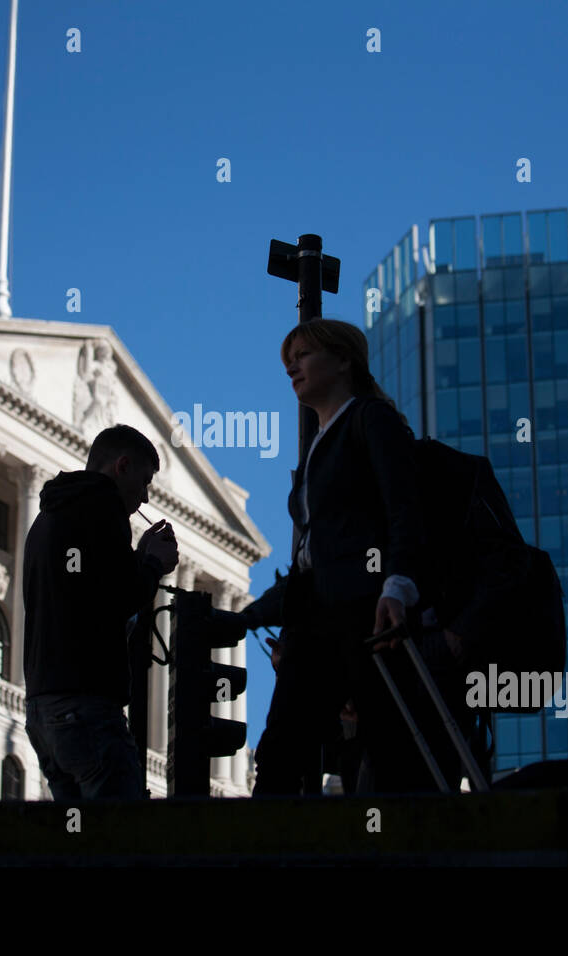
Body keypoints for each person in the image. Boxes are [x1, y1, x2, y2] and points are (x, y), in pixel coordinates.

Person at [235, 318, 477, 795]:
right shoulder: (317, 448)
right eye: (289, 361)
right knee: (282, 746)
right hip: (314, 616)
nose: (292, 368)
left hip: (364, 611)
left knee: (390, 741)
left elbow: (402, 508)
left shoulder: (370, 419)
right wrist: (241, 617)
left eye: (303, 355)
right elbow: (309, 559)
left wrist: (398, 585)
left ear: (344, 360)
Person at [23, 424, 178, 800]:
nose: (143, 499)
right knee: (117, 839)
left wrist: (137, 558)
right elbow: (121, 597)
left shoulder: (51, 514)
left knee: (79, 839)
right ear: (121, 466)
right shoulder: (102, 507)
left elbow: (87, 595)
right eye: (143, 483)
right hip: (87, 708)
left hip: (44, 712)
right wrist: (154, 564)